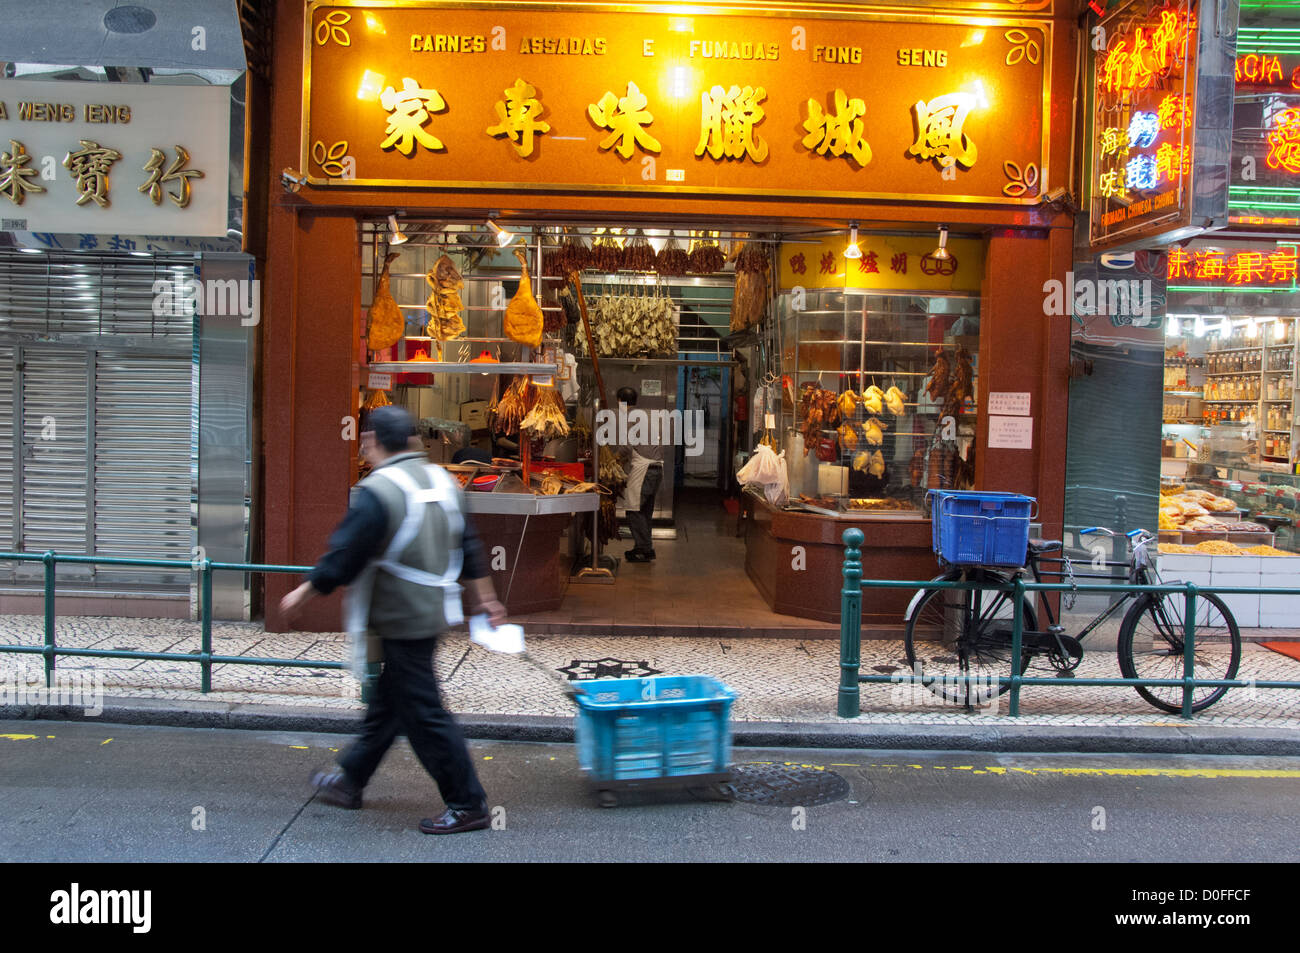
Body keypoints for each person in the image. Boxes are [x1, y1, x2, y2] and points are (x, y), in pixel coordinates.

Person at [280, 405, 507, 835]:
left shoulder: (379, 491)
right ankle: (351, 780)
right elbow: (469, 546)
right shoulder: (444, 481)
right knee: (391, 700)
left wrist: (305, 591)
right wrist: (488, 600)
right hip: (433, 610)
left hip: (401, 615)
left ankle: (467, 802)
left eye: (365, 440)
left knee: (423, 711)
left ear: (372, 441)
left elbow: (345, 555)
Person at [616, 386, 663, 563]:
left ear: (620, 401)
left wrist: (614, 458)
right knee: (644, 511)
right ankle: (644, 547)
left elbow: (627, 447)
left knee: (634, 509)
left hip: (645, 470)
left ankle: (644, 549)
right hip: (656, 469)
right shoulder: (644, 416)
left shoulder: (629, 418)